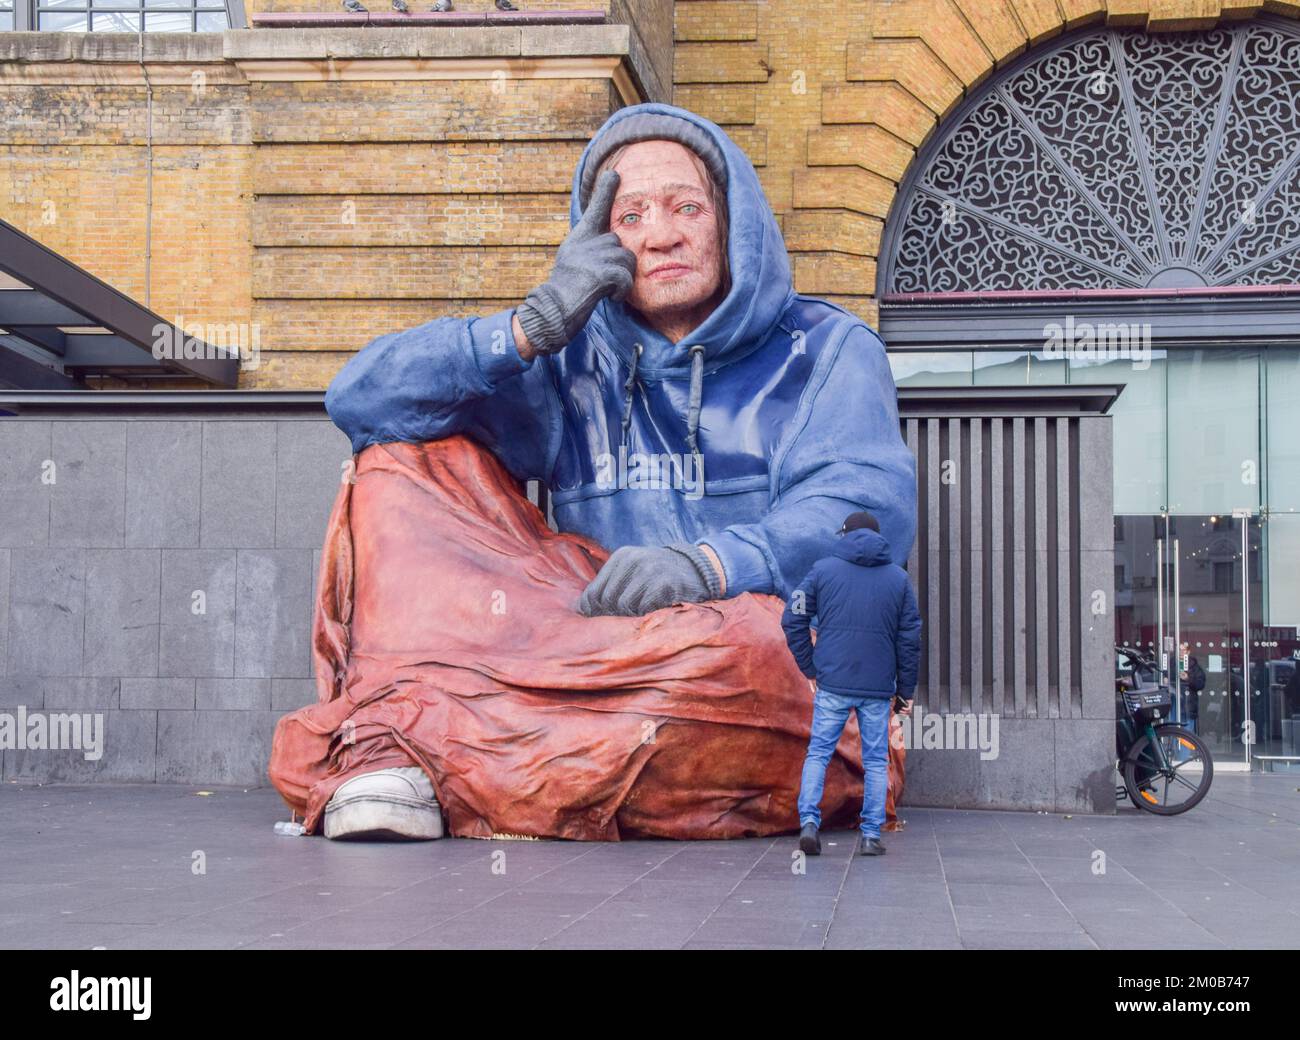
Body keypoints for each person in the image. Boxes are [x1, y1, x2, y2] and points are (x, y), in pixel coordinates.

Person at [274, 102, 917, 840]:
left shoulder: (828, 348)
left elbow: (866, 512)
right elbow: (359, 401)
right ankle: (516, 751)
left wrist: (709, 566)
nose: (662, 234)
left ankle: (433, 747)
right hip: (587, 646)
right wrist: (530, 325)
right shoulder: (571, 359)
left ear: (731, 218)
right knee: (400, 459)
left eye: (686, 206)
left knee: (759, 653)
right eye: (630, 215)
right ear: (597, 241)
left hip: (742, 653)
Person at [780, 511, 921, 857]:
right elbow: (909, 640)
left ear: (845, 536)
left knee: (819, 752)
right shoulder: (898, 580)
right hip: (877, 686)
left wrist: (810, 667)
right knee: (875, 760)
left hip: (833, 681)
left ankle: (809, 824)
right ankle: (871, 835)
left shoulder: (822, 571)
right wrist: (906, 691)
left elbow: (792, 617)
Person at [1180, 655, 1205, 734]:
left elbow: (1200, 684)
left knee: (1187, 735)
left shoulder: (1195, 667)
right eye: (1180, 649)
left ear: (1188, 652)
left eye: (1184, 650)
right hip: (1174, 704)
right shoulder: (1171, 664)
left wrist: (1188, 679)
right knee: (1172, 733)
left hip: (1189, 705)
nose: (1181, 652)